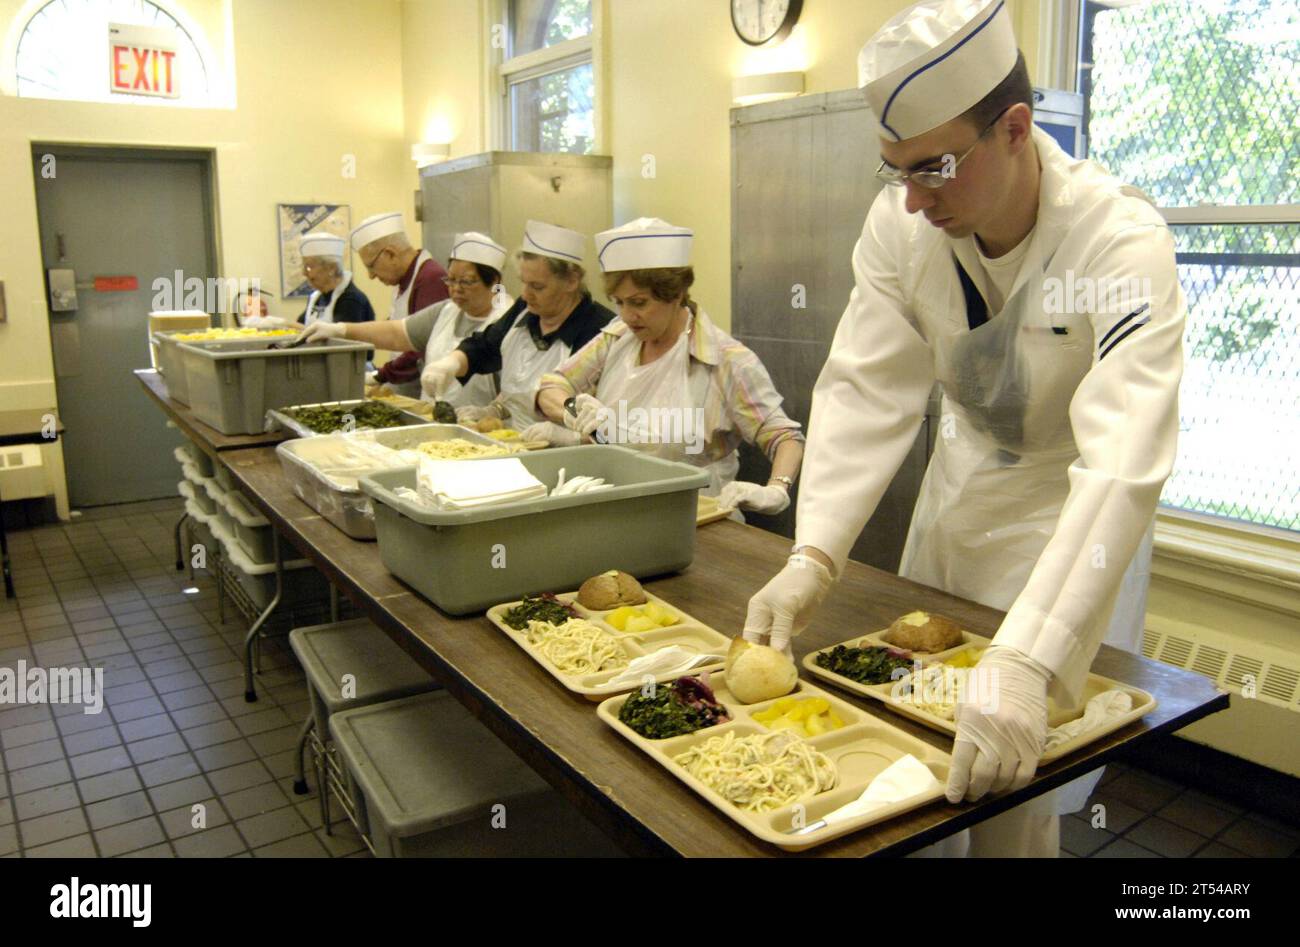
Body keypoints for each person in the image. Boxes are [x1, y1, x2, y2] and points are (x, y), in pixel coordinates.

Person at [741, 0, 1184, 857]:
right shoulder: (901, 231)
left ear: (1015, 128)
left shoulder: (1118, 242)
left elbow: (1124, 454)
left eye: (934, 168)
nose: (911, 200)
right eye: (893, 170)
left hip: (1071, 528)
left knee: (1016, 788)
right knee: (917, 755)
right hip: (958, 505)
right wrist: (813, 556)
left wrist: (1030, 655)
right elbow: (867, 392)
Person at [535, 217, 805, 515]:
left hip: (696, 517)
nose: (627, 315)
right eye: (619, 302)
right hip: (614, 504)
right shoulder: (617, 339)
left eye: (639, 303)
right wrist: (573, 413)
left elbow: (784, 437)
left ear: (676, 294)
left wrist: (777, 488)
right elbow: (553, 385)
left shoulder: (725, 360)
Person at [421, 220, 614, 430]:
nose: (525, 294)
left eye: (537, 286)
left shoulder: (599, 329)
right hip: (514, 442)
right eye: (524, 282)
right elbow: (486, 347)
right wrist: (451, 364)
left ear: (571, 281)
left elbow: (599, 416)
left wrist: (568, 435)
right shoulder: (525, 310)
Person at [298, 232, 513, 410]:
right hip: (437, 426)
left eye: (466, 282)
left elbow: (520, 386)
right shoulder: (447, 311)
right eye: (451, 280)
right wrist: (340, 330)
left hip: (489, 435)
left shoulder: (507, 321)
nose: (455, 289)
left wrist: (493, 412)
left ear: (493, 282)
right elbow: (396, 333)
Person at [348, 211, 449, 395]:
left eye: (371, 266)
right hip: (406, 384)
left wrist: (380, 375)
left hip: (424, 388)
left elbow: (420, 344)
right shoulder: (402, 280)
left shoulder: (429, 278)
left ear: (391, 254)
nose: (371, 276)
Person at [297, 232, 375, 326]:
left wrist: (285, 324)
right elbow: (300, 326)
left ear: (331, 268)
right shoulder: (317, 297)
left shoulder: (351, 300)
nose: (304, 273)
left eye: (309, 267)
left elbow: (335, 337)